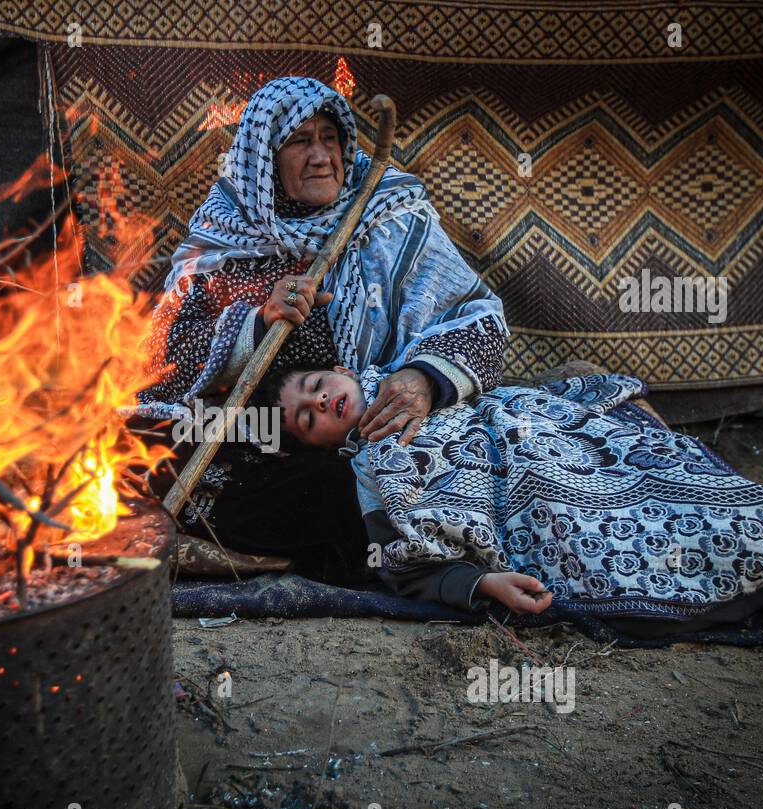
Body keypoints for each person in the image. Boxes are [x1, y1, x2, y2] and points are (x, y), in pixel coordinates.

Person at [132, 76, 508, 581]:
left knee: (340, 488)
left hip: (360, 433)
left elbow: (478, 316)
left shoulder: (389, 212)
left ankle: (265, 551)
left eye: (328, 138)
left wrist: (422, 378)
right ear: (265, 156)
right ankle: (256, 547)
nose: (320, 156)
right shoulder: (227, 225)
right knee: (134, 441)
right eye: (299, 141)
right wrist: (255, 321)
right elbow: (162, 356)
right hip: (252, 434)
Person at [252, 362, 763, 644]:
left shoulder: (417, 370)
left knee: (694, 494)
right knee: (632, 580)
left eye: (314, 386)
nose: (318, 404)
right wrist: (483, 583)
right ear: (323, 445)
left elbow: (500, 386)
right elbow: (405, 564)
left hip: (560, 447)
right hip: (542, 523)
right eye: (307, 420)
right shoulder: (370, 475)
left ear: (339, 370)